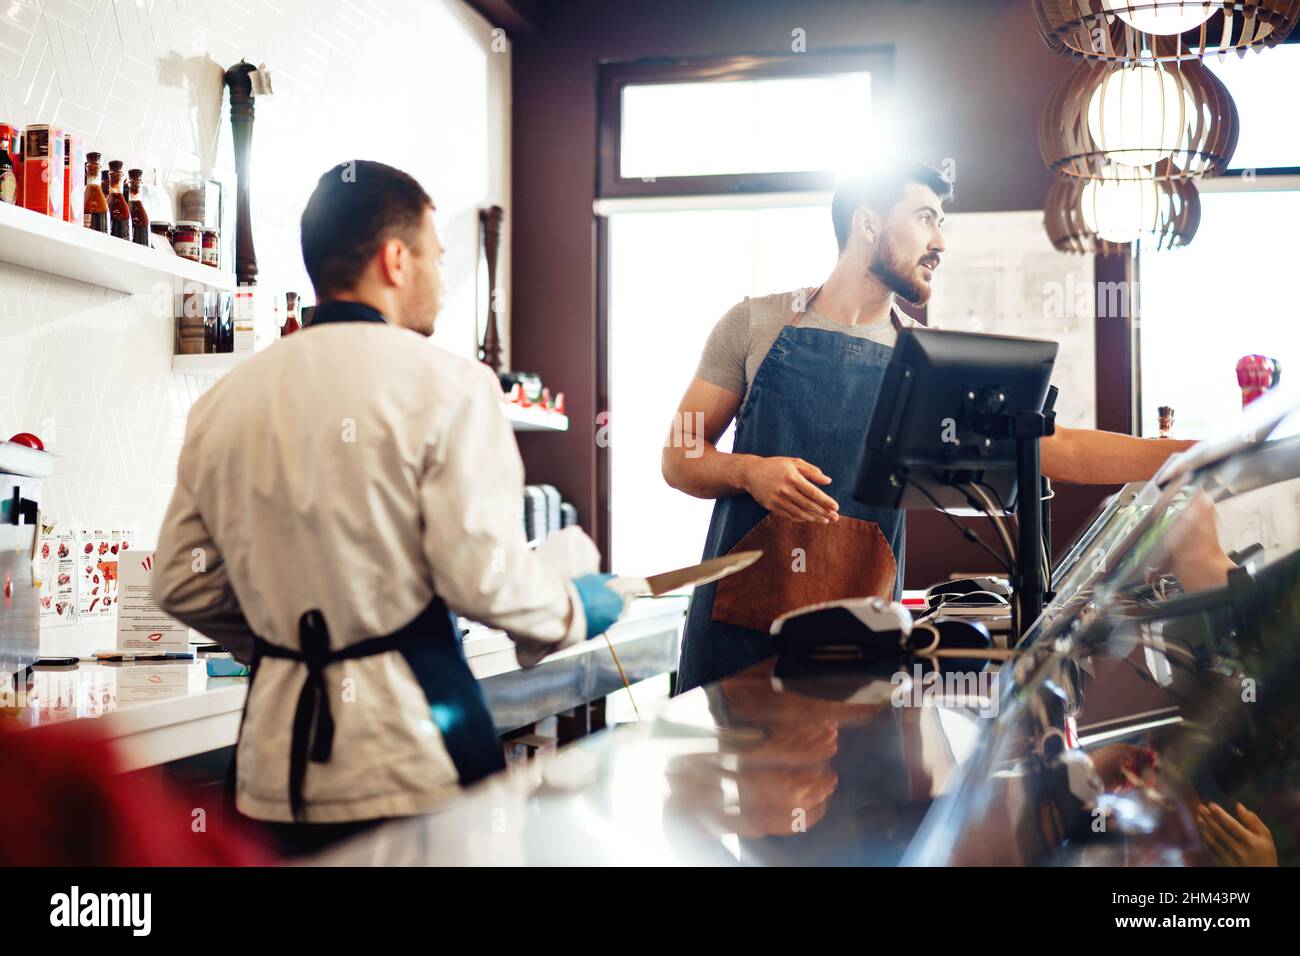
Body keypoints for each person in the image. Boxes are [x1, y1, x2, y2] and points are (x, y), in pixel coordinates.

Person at [152, 160, 625, 855]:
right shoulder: (452, 385)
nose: (441, 274)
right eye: (437, 255)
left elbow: (181, 581)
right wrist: (578, 605)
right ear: (395, 260)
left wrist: (292, 649)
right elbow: (482, 576)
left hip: (269, 770)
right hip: (410, 758)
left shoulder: (225, 400)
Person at [663, 158, 1196, 692]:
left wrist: (1198, 452)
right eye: (924, 218)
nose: (940, 241)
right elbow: (679, 455)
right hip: (736, 637)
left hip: (861, 644)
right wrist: (750, 472)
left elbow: (1056, 448)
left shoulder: (926, 359)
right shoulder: (753, 323)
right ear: (868, 225)